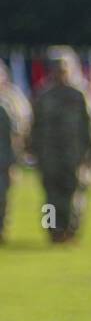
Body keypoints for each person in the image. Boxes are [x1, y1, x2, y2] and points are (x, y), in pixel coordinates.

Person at [30, 47, 91, 243]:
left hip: (75, 156)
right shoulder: (44, 94)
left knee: (74, 196)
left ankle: (71, 232)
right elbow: (35, 126)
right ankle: (53, 231)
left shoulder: (81, 94)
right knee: (50, 197)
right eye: (55, 68)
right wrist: (35, 151)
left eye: (63, 68)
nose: (59, 72)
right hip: (49, 156)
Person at [0, 62, 32, 244]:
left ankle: (1, 230)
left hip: (5, 160)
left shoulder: (14, 99)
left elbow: (23, 128)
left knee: (2, 197)